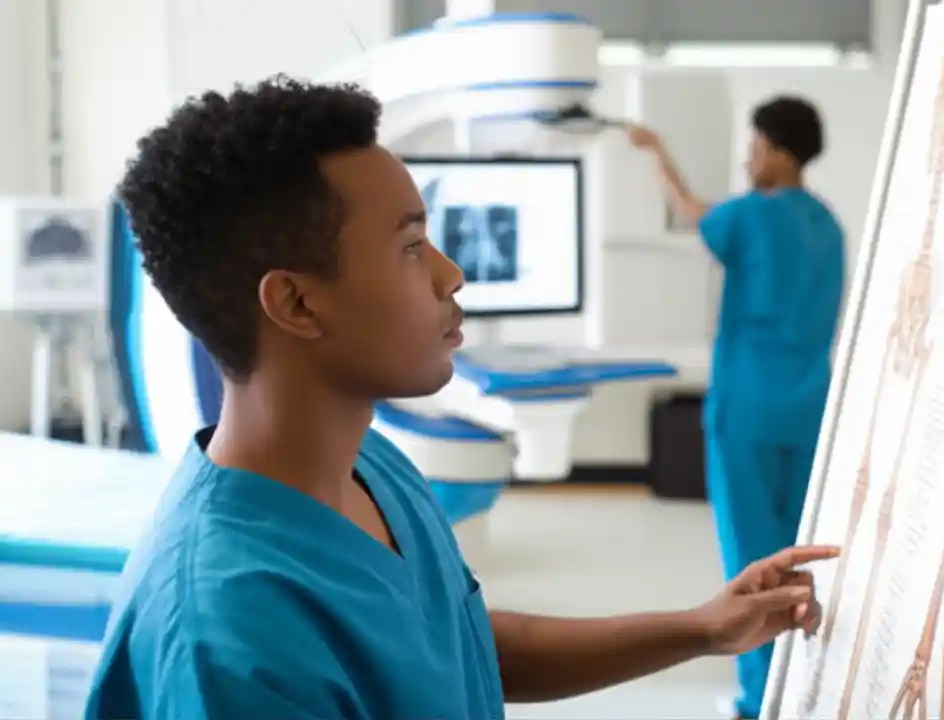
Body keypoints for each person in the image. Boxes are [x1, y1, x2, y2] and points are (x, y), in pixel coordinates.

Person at [84, 77, 838, 720]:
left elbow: (464, 646)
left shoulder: (374, 469)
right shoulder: (230, 642)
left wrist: (703, 629)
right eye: (412, 246)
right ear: (298, 304)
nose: (452, 275)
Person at [629, 96, 845, 719]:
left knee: (754, 565)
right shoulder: (828, 225)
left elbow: (692, 213)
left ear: (777, 148)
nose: (748, 160)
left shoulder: (751, 217)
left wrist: (655, 153)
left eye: (753, 148)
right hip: (811, 413)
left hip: (747, 413)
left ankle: (759, 703)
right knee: (803, 560)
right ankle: (815, 688)